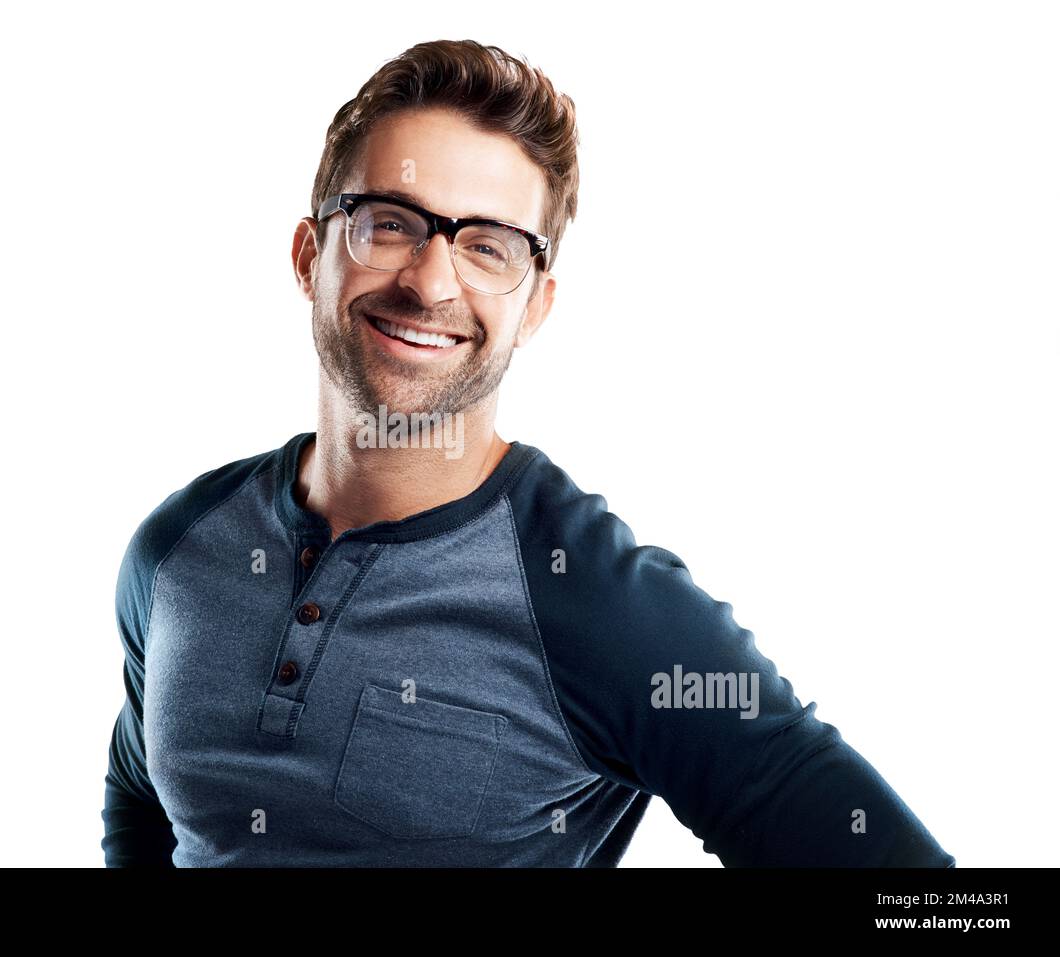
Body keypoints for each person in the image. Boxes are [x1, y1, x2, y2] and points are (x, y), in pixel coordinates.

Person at [100, 38, 954, 867]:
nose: (431, 282)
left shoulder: (603, 607)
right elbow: (145, 792)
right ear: (307, 254)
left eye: (487, 246)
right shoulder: (177, 551)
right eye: (390, 223)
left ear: (535, 306)